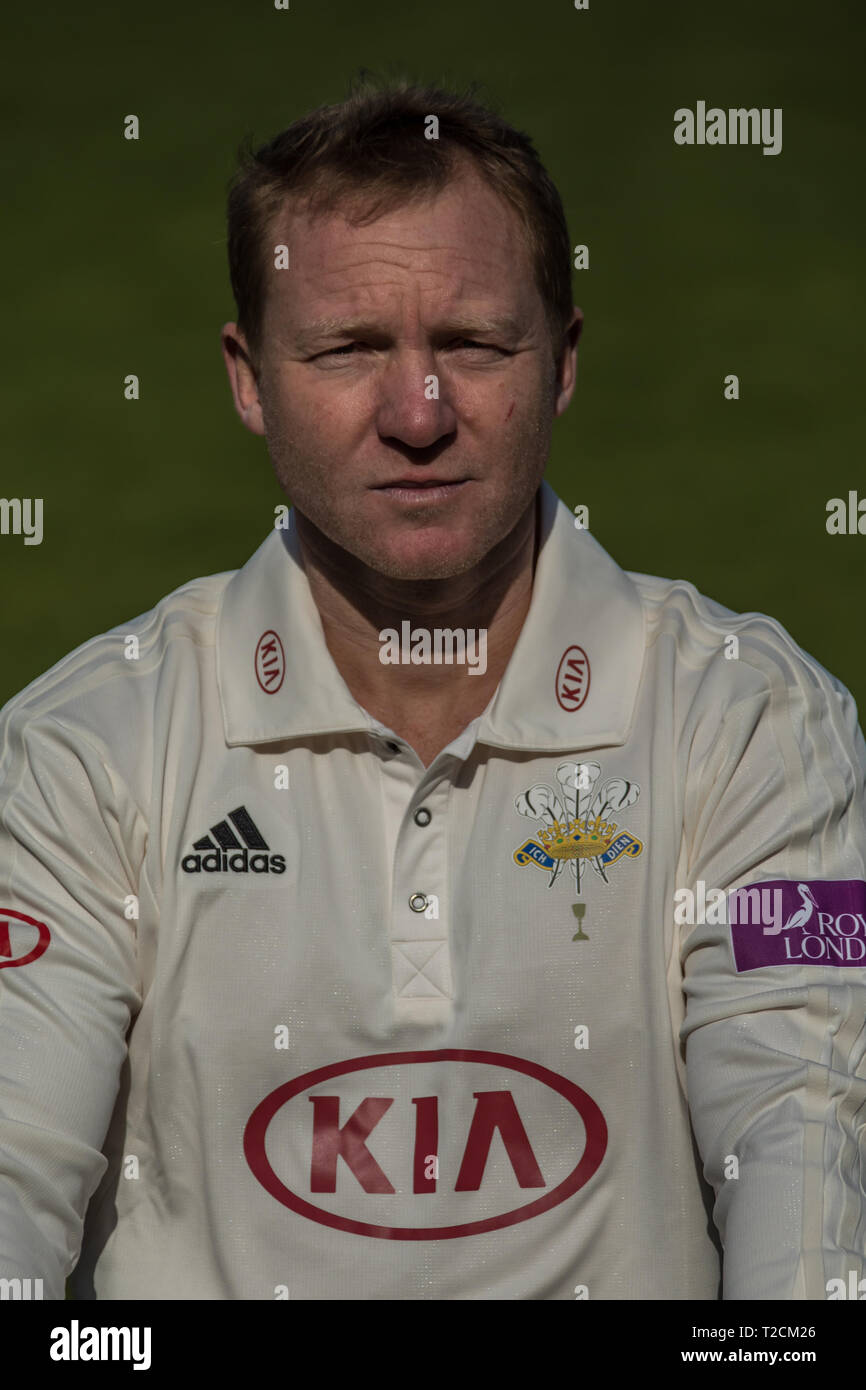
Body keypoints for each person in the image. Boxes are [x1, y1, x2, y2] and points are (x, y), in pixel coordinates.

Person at [1, 77, 864, 1302]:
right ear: (248, 379)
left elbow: (807, 1142)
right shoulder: (73, 753)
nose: (418, 413)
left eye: (471, 344)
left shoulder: (763, 725)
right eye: (350, 349)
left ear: (561, 362)